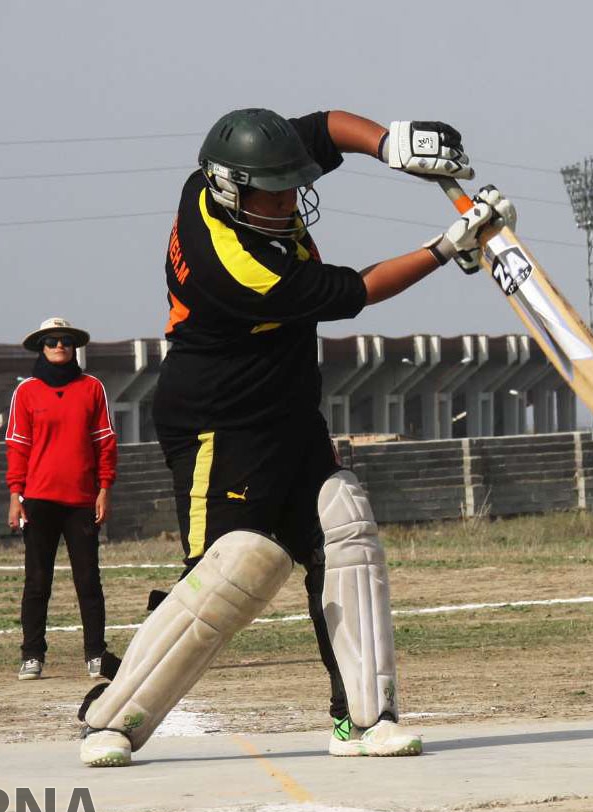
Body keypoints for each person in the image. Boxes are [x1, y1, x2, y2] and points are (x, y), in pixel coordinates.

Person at [77, 109, 514, 767]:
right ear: (231, 190)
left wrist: (389, 143)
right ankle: (111, 716)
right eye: (273, 193)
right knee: (233, 568)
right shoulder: (237, 265)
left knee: (344, 525)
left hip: (291, 414)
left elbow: (321, 127)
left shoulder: (226, 179)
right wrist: (446, 249)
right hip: (219, 426)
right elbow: (355, 292)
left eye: (291, 188)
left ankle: (364, 719)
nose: (287, 203)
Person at [5, 317, 118, 681]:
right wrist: (15, 495)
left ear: (74, 347)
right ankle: (32, 655)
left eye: (66, 340)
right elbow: (17, 446)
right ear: (41, 346)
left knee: (88, 580)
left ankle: (96, 655)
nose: (59, 345)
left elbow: (105, 442)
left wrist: (104, 489)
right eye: (51, 340)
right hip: (38, 499)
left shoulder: (92, 387)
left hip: (82, 500)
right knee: (37, 580)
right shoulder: (26, 392)